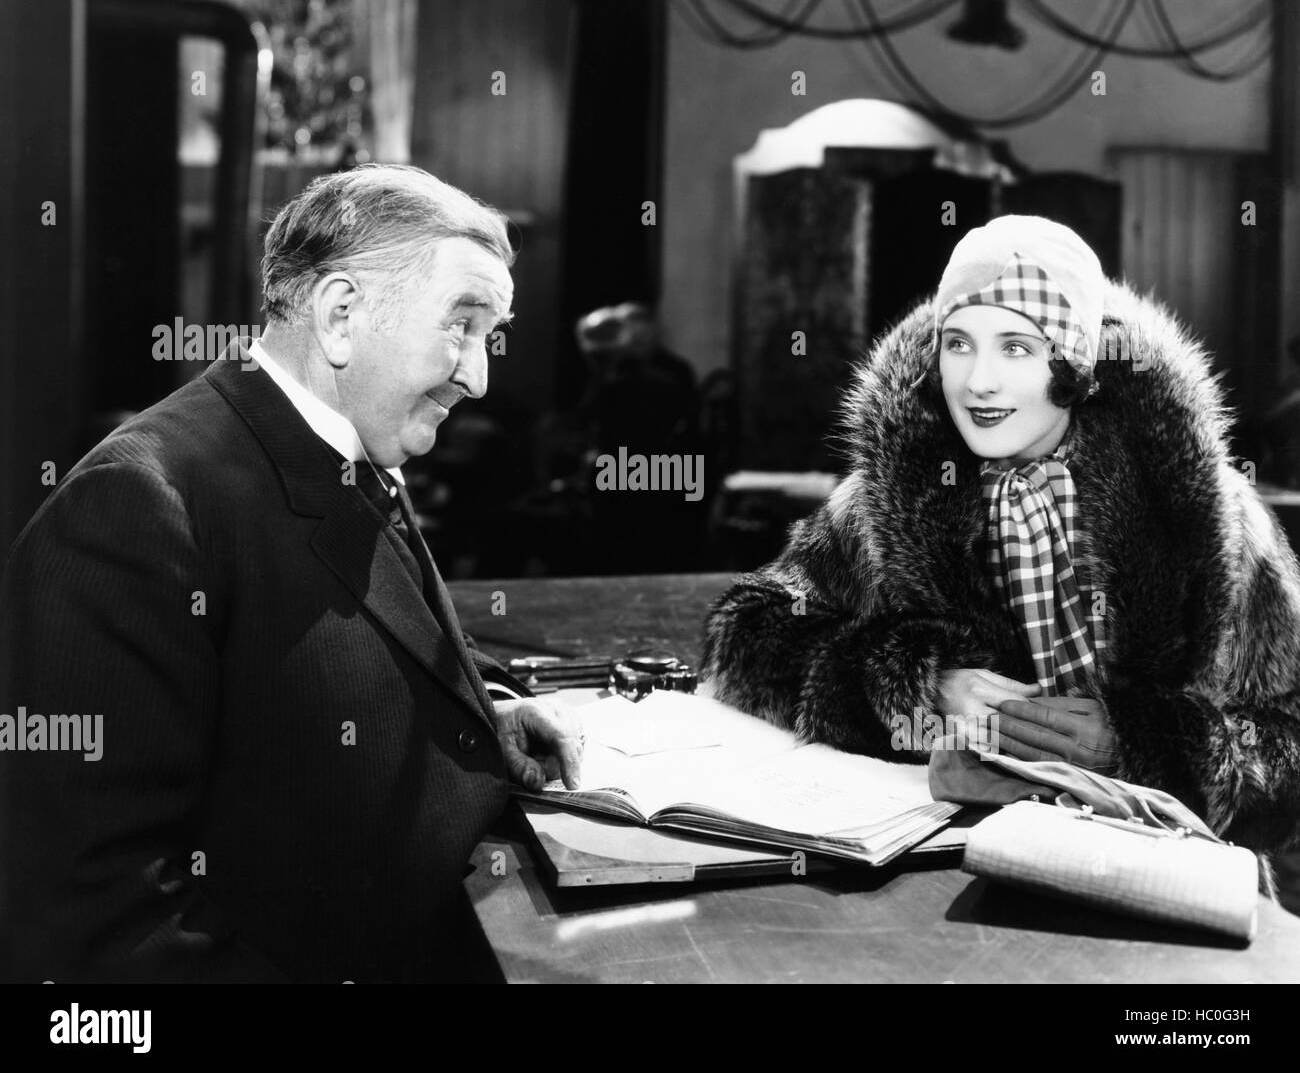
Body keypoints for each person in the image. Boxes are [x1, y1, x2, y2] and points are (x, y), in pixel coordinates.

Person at [0, 164, 584, 982]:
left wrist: (486, 712)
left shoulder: (337, 441)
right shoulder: (134, 507)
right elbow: (95, 917)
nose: (477, 376)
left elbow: (341, 648)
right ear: (341, 315)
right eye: (462, 325)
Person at [702, 215, 1300, 860]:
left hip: (1160, 885)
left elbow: (1287, 743)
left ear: (1075, 359)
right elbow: (743, 641)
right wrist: (915, 688)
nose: (977, 381)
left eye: (1017, 347)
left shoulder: (1213, 518)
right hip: (943, 879)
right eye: (958, 344)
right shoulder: (885, 499)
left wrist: (1142, 745)